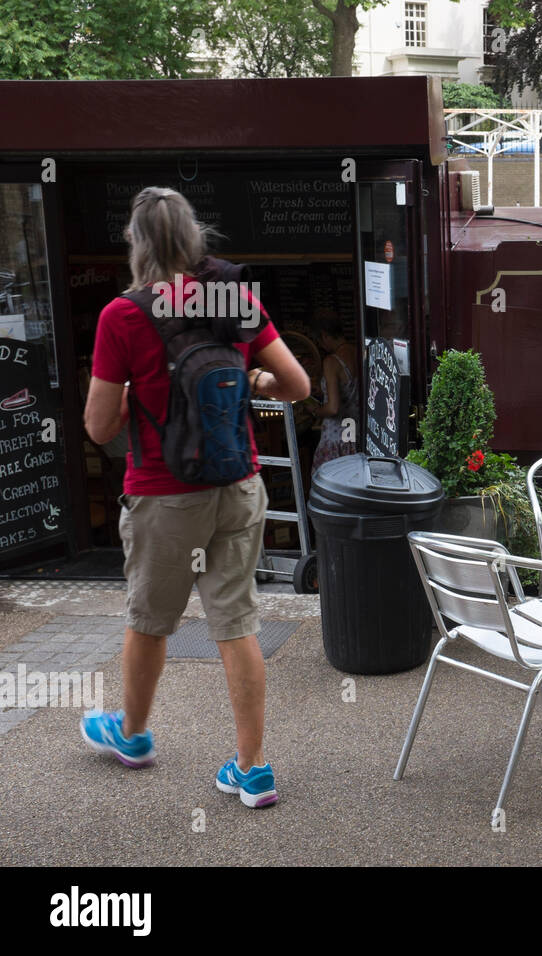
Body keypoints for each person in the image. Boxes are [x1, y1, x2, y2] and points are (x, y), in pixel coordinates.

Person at [81, 186, 310, 807]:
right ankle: (253, 768)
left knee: (151, 622)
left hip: (164, 496)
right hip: (238, 486)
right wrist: (253, 375)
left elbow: (100, 429)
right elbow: (297, 384)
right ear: (194, 239)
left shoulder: (122, 316)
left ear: (137, 244)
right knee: (236, 625)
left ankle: (131, 736)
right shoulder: (230, 298)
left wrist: (137, 393)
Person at [309, 314, 359, 472]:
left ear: (324, 335)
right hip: (354, 432)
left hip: (336, 435)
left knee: (329, 488)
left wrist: (315, 410)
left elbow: (333, 408)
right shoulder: (359, 352)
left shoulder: (331, 362)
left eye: (319, 341)